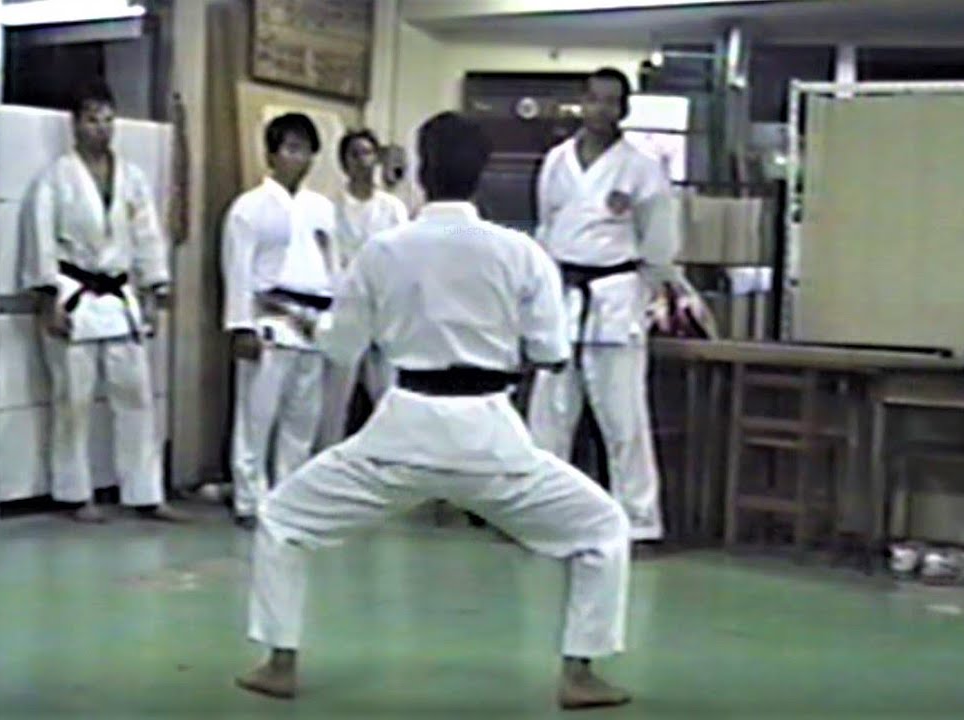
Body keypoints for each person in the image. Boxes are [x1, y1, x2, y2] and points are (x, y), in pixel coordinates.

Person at [234, 112, 634, 710]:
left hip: (402, 431)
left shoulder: (383, 250)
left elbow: (342, 349)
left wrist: (311, 322)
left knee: (282, 519)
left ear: (420, 170)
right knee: (603, 528)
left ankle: (280, 661)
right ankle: (579, 673)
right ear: (483, 175)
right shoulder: (521, 253)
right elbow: (550, 352)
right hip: (492, 439)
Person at [526, 67, 698, 545]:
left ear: (624, 109)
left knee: (623, 417)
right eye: (595, 99)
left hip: (614, 296)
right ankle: (543, 513)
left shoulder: (642, 168)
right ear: (583, 102)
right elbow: (546, 230)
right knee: (550, 415)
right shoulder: (556, 162)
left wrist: (643, 294)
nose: (602, 109)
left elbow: (659, 245)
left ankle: (640, 522)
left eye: (611, 101)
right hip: (564, 294)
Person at [19, 80, 184, 524]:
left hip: (119, 296)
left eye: (109, 119)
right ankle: (76, 493)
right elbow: (40, 240)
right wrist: (47, 298)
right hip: (74, 296)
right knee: (72, 399)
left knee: (137, 397)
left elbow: (148, 236)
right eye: (92, 119)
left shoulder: (132, 177)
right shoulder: (55, 177)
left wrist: (155, 290)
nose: (102, 128)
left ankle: (145, 492)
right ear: (75, 125)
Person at [221, 112, 336, 526]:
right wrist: (240, 326)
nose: (298, 158)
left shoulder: (321, 208)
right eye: (290, 149)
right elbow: (237, 269)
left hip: (313, 321)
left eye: (305, 150)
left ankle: (289, 498)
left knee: (301, 423)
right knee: (255, 420)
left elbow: (332, 268)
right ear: (271, 155)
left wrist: (333, 321)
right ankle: (249, 500)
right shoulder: (248, 208)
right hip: (269, 319)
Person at [315, 128, 409, 450]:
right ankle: (325, 458)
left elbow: (402, 260)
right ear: (344, 162)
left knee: (388, 396)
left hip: (384, 310)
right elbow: (329, 260)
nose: (363, 162)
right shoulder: (329, 207)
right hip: (346, 307)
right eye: (355, 155)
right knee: (334, 401)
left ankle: (394, 460)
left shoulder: (392, 209)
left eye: (368, 154)